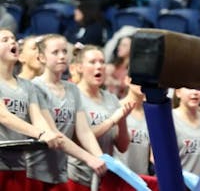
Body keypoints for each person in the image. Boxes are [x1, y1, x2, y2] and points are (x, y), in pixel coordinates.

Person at [27, 34, 107, 190]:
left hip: (60, 172)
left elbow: (84, 131)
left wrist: (101, 158)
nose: (62, 56)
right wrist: (89, 159)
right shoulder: (34, 87)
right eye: (55, 52)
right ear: (41, 57)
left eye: (64, 51)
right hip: (35, 174)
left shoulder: (72, 89)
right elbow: (54, 133)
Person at [0, 28, 63, 190]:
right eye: (4, 40)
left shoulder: (27, 86)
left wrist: (49, 132)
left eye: (13, 39)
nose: (12, 42)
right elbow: (4, 116)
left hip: (19, 165)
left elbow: (38, 119)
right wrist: (40, 133)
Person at [68, 44, 133, 190]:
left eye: (102, 62)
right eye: (92, 62)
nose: (99, 66)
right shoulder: (72, 96)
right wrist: (111, 121)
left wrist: (122, 121)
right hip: (77, 178)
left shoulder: (111, 99)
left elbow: (122, 147)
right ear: (79, 67)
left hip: (104, 180)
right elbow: (77, 138)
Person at [173, 88, 200, 175]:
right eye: (189, 88)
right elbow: (155, 158)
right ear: (178, 92)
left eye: (199, 88)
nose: (195, 92)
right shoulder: (168, 119)